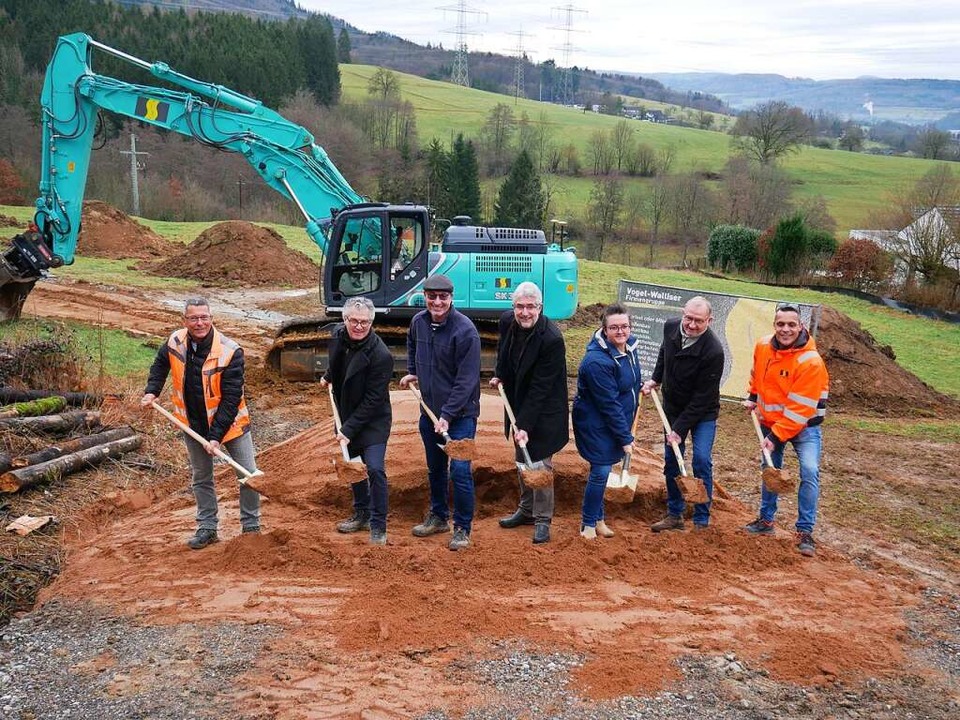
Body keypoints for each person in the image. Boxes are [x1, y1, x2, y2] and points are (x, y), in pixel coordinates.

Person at [141, 298, 260, 549]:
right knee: (201, 477)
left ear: (211, 318)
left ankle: (251, 527)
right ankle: (207, 527)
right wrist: (152, 391)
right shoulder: (175, 341)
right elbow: (160, 364)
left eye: (204, 317)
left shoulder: (230, 351)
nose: (199, 323)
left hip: (231, 426)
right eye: (194, 318)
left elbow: (231, 399)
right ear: (185, 321)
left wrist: (216, 435)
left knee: (248, 474)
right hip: (193, 424)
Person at [399, 274, 481, 551]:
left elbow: (467, 381)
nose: (437, 302)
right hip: (429, 412)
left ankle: (462, 528)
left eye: (442, 297)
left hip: (460, 417)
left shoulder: (465, 331)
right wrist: (413, 371)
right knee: (435, 468)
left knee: (460, 470)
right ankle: (438, 516)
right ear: (424, 296)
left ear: (451, 298)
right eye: (432, 296)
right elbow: (411, 344)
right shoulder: (418, 322)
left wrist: (446, 414)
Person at [743, 302, 829, 557]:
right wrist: (753, 395)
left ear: (800, 326)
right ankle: (766, 521)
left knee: (810, 471)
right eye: (780, 324)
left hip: (804, 427)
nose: (786, 329)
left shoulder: (810, 361)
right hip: (770, 422)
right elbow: (758, 375)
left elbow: (800, 409)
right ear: (774, 325)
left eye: (791, 324)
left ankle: (804, 531)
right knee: (770, 471)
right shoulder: (763, 346)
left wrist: (775, 436)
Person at [490, 281, 569, 545]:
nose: (524, 312)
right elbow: (503, 350)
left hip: (545, 409)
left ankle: (543, 519)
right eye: (520, 306)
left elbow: (541, 389)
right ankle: (526, 510)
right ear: (513, 307)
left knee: (540, 464)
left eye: (530, 307)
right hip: (517, 402)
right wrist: (499, 374)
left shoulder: (552, 339)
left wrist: (524, 425)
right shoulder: (507, 321)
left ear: (540, 307)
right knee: (522, 459)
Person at [644, 296, 725, 532]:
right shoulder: (671, 327)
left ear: (709, 320)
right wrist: (656, 378)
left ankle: (701, 520)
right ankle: (675, 514)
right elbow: (664, 353)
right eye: (688, 318)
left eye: (698, 321)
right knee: (672, 461)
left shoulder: (713, 351)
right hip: (672, 406)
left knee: (701, 460)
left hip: (703, 413)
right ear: (683, 313)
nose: (691, 324)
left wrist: (678, 430)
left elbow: (702, 398)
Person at [320, 296, 393, 546]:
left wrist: (348, 429)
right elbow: (338, 362)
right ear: (345, 319)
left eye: (364, 322)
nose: (359, 326)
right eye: (354, 320)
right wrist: (329, 376)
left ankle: (378, 525)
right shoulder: (339, 336)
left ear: (371, 323)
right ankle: (360, 513)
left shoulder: (381, 355)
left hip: (372, 421)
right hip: (346, 412)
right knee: (353, 466)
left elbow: (373, 400)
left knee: (374, 468)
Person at [572, 303, 643, 539]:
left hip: (614, 419)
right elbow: (608, 403)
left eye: (624, 326)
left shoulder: (630, 349)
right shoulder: (596, 362)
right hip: (595, 422)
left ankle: (599, 519)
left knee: (602, 468)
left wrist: (638, 386)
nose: (620, 331)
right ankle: (588, 524)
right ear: (604, 329)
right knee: (601, 470)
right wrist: (625, 438)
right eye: (614, 328)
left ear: (630, 327)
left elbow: (629, 382)